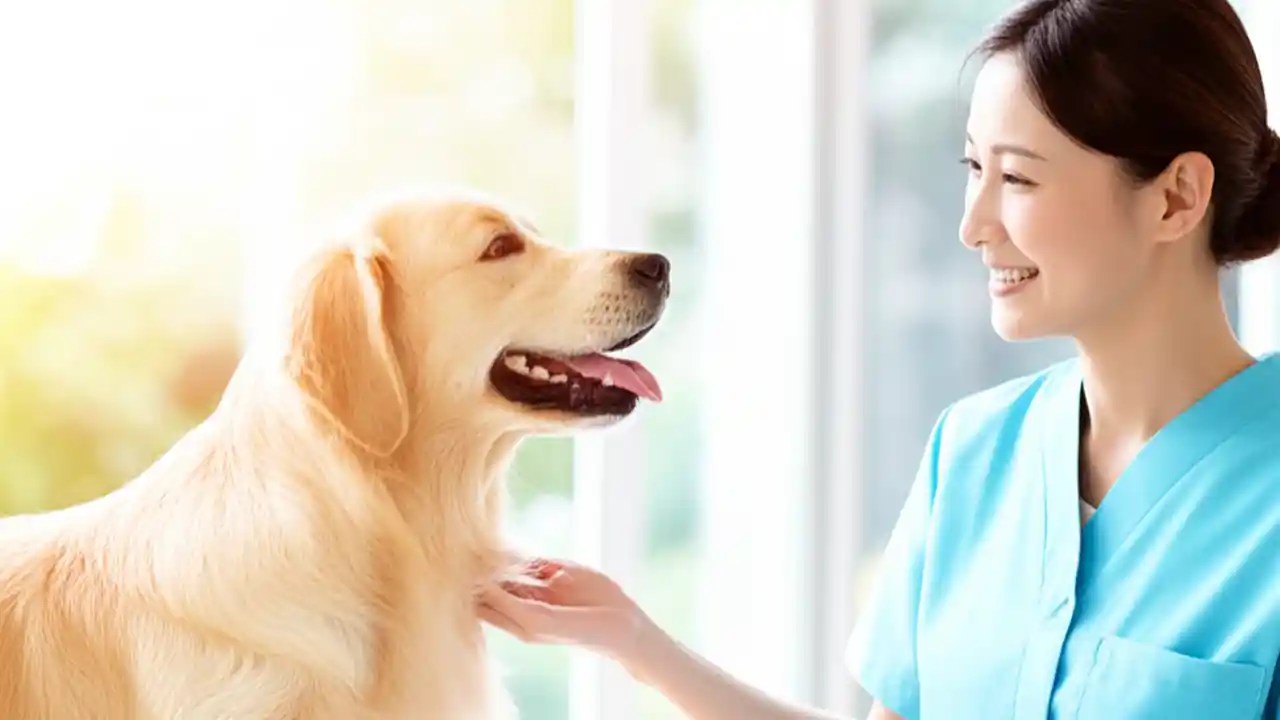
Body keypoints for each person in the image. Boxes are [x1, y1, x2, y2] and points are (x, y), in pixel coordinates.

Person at [479, 0, 1280, 717]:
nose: (974, 224)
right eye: (974, 169)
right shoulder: (972, 454)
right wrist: (637, 642)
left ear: (1176, 197)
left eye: (1019, 179)